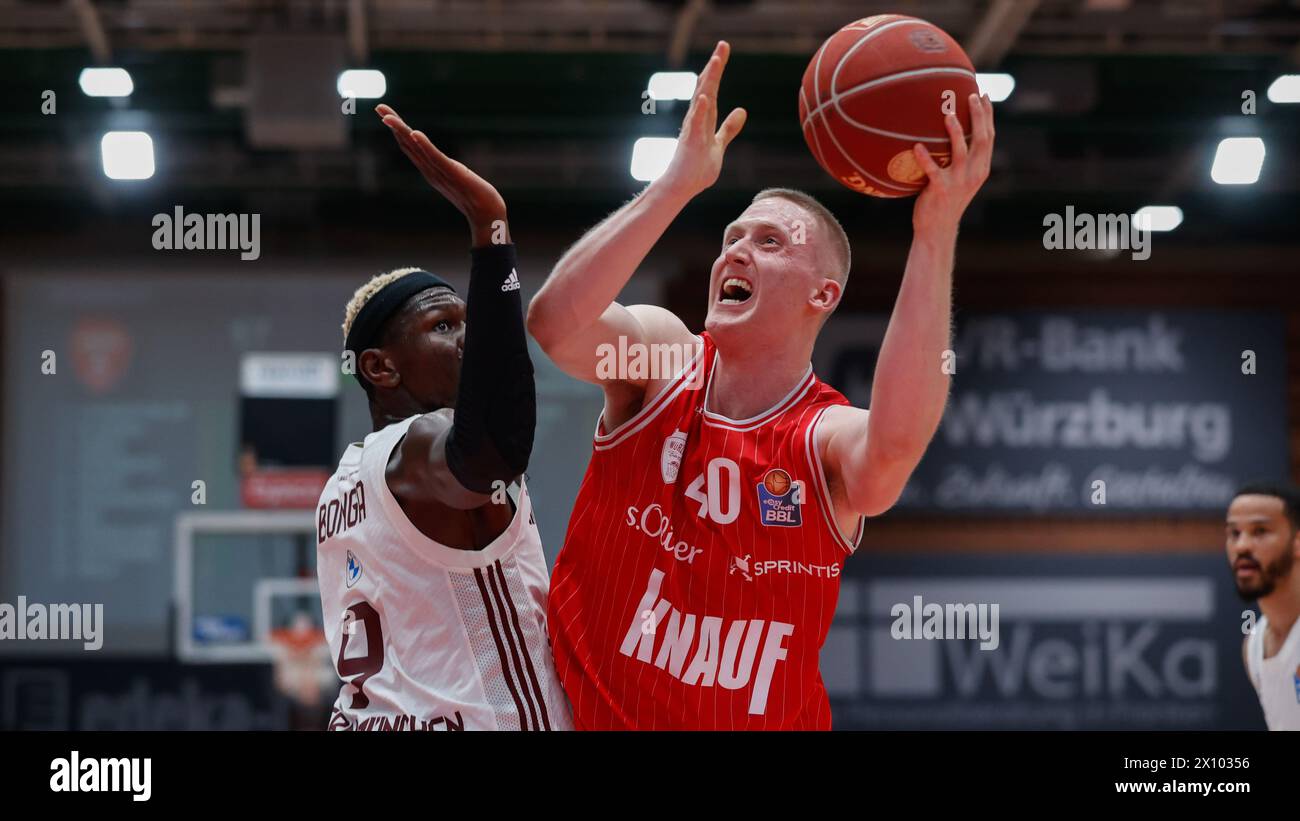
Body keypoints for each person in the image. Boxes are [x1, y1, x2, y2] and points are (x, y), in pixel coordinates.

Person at [528, 41, 994, 728]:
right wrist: (676, 185)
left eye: (771, 242)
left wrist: (935, 232)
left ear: (823, 293)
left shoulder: (820, 438)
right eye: (732, 237)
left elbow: (894, 443)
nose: (737, 251)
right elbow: (555, 325)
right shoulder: (662, 363)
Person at [315, 104, 571, 731]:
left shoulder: (340, 488)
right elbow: (491, 452)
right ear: (380, 369)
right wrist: (492, 230)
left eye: (467, 320)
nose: (469, 337)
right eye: (443, 325)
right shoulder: (421, 444)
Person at [1227, 481, 1300, 730]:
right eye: (1234, 533)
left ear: (1298, 542)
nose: (1242, 546)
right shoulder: (1253, 645)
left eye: (1260, 531)